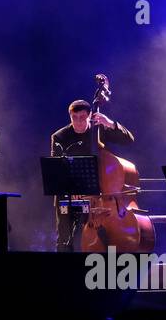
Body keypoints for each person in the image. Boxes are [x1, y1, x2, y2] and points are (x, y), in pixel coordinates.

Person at [50, 99, 135, 251]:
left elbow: (129, 139)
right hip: (70, 196)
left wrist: (110, 123)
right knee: (64, 240)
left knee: (95, 237)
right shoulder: (60, 137)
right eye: (74, 118)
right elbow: (57, 170)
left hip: (99, 198)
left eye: (82, 118)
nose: (78, 122)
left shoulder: (99, 130)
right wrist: (72, 189)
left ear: (90, 116)